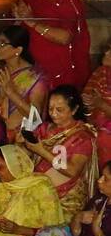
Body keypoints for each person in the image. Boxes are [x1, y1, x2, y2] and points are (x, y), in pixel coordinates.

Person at [25, 85, 98, 220]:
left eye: (59, 110)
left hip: (66, 198)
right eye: (50, 109)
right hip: (37, 190)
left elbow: (72, 170)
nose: (53, 114)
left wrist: (41, 151)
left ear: (74, 109)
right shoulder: (45, 128)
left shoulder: (83, 137)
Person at [14, 0, 90, 90]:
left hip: (66, 73)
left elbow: (65, 38)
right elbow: (18, 33)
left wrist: (33, 23)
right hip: (36, 74)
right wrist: (18, 19)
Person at [0, 26, 50, 144]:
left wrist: (11, 93)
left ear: (18, 50)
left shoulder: (36, 77)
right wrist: (1, 96)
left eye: (2, 44)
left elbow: (35, 117)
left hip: (21, 139)